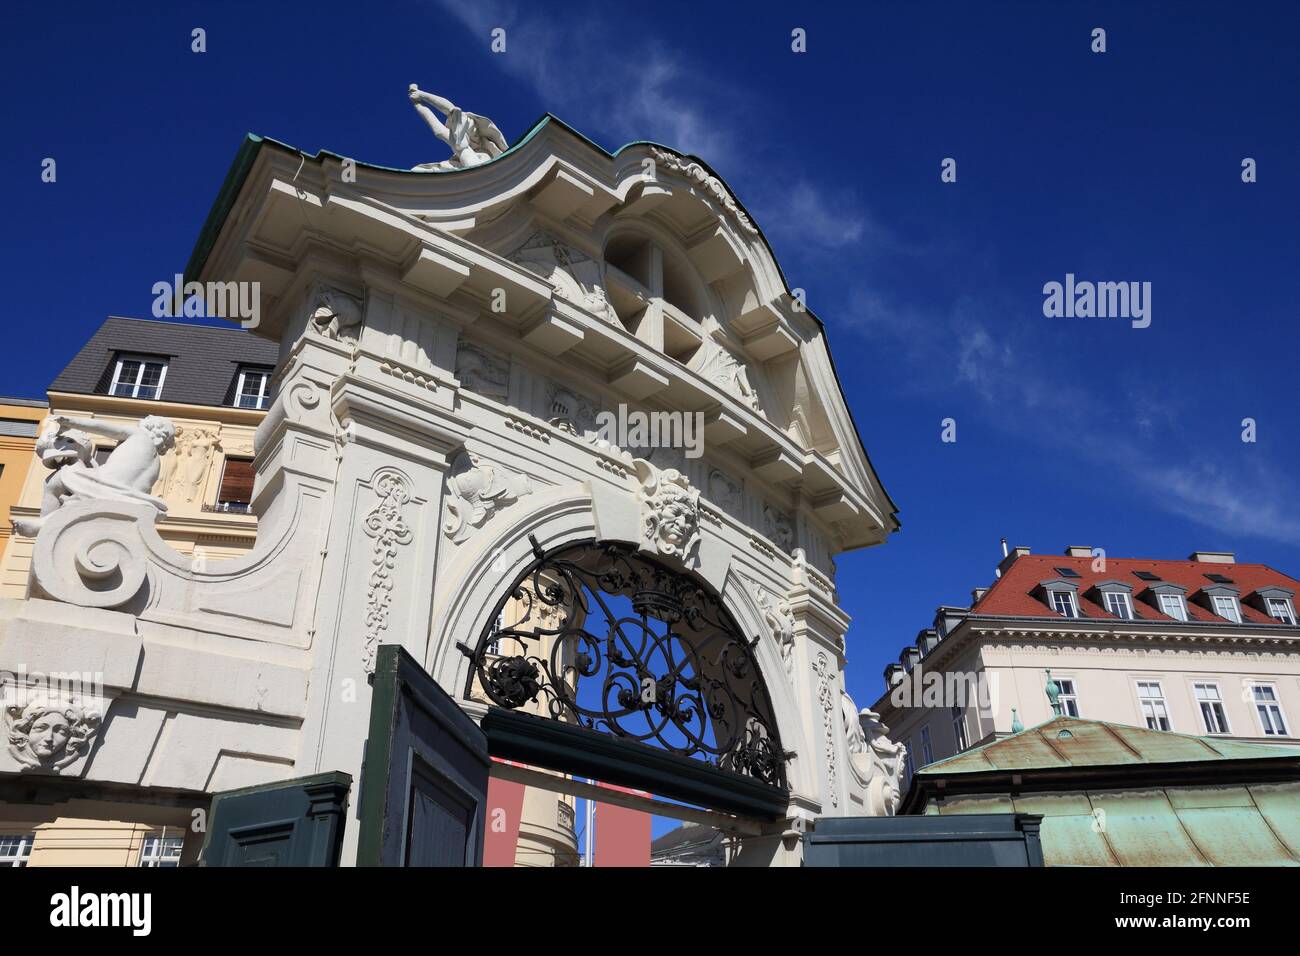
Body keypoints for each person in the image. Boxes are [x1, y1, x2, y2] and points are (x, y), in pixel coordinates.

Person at [408, 85, 508, 171]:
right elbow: (439, 130)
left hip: (478, 165)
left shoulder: (483, 151)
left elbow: (452, 111)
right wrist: (417, 104)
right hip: (465, 164)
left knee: (458, 121)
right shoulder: (459, 142)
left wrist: (421, 95)